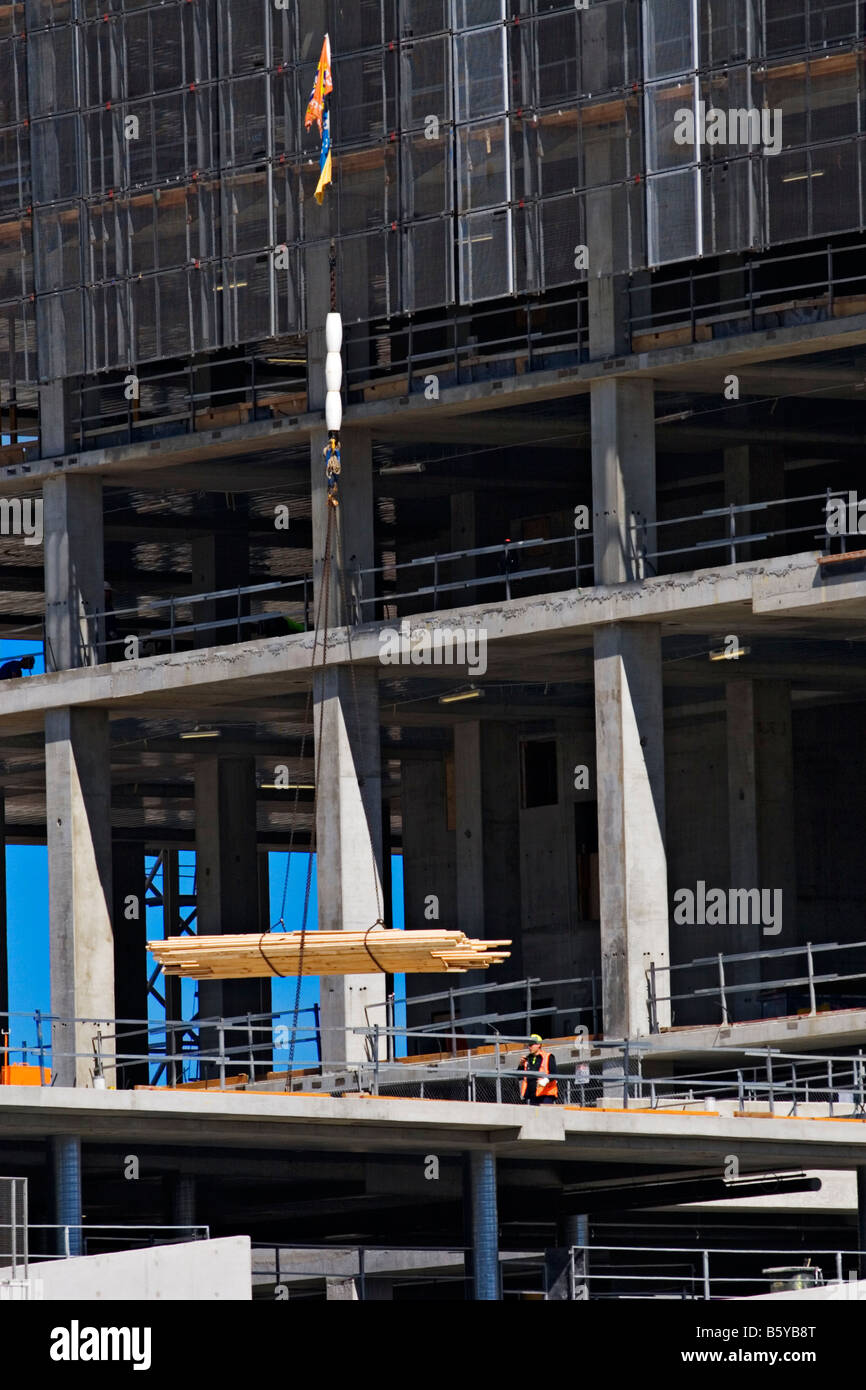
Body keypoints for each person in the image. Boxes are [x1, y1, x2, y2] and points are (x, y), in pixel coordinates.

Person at [518, 1033, 558, 1105]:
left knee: (545, 1115)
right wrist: (520, 1065)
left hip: (546, 1094)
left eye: (531, 1045)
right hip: (533, 1095)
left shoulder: (548, 1056)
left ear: (539, 1045)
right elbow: (520, 1077)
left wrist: (545, 1080)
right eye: (528, 1045)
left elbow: (554, 1073)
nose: (529, 1047)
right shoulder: (527, 1059)